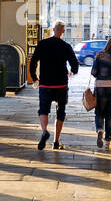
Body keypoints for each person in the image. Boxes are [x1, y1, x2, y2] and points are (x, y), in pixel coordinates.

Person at [28, 20, 79, 149]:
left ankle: (45, 131)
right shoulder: (66, 46)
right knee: (60, 111)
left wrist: (35, 78)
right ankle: (56, 141)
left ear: (53, 30)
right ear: (62, 31)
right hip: (61, 84)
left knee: (43, 109)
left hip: (45, 84)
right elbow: (75, 63)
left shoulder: (42, 44)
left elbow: (33, 61)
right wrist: (72, 71)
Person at [90, 36, 111, 151]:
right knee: (109, 115)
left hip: (100, 88)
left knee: (99, 113)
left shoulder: (100, 55)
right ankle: (107, 142)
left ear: (107, 44)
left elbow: (94, 72)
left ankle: (100, 130)